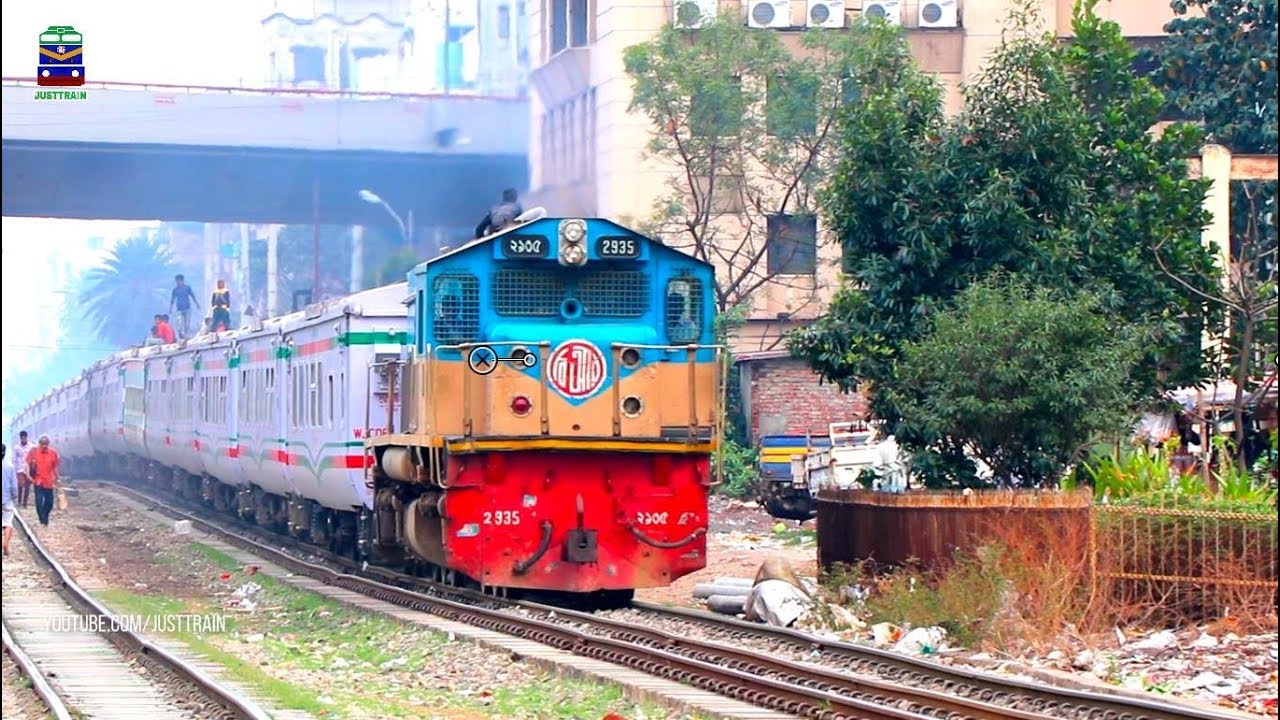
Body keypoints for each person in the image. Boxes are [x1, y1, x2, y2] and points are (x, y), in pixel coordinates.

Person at [27, 435, 59, 527]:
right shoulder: (33, 452)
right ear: (39, 444)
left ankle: (45, 515)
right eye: (42, 444)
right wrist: (28, 475)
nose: (44, 446)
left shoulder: (53, 453)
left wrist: (58, 478)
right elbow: (27, 464)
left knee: (49, 502)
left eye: (46, 444)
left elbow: (55, 467)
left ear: (48, 444)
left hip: (49, 481)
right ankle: (42, 518)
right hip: (38, 481)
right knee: (39, 500)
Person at [170, 274, 200, 339]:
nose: (178, 282)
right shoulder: (175, 290)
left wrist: (197, 304)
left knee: (187, 323)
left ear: (182, 281)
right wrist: (170, 308)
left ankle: (186, 335)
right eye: (177, 281)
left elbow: (192, 296)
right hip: (179, 309)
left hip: (187, 308)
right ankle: (180, 333)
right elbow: (172, 299)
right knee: (180, 322)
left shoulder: (187, 288)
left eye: (179, 281)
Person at [12, 430, 32, 508]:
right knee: (20, 485)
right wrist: (14, 470)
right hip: (19, 469)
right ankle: (19, 501)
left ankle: (25, 503)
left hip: (28, 469)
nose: (23, 439)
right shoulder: (16, 447)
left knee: (27, 487)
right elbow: (14, 459)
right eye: (22, 438)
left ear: (26, 438)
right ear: (20, 438)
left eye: (24, 438)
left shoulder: (31, 447)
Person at [3, 443, 16, 556]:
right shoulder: (10, 467)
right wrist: (14, 495)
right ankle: (5, 543)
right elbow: (14, 485)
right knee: (8, 523)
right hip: (7, 498)